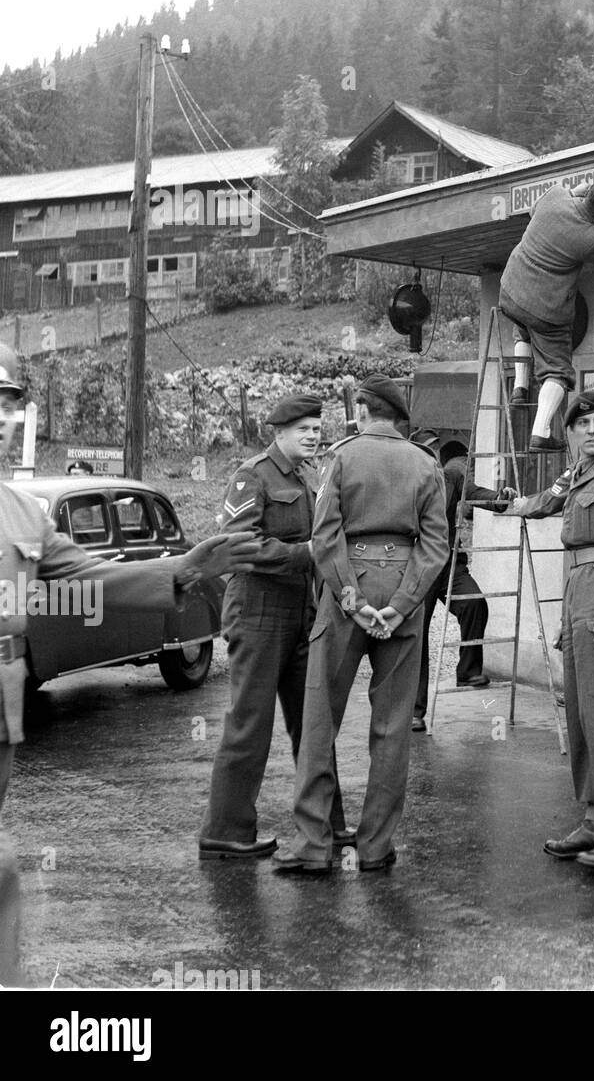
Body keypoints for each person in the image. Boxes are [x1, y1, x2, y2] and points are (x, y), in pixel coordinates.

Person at [0, 344, 259, 985]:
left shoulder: (21, 510)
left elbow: (88, 579)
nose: (2, 422)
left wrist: (181, 569)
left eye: (7, 408)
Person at [272, 374, 447, 874]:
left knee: (320, 717)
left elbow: (324, 535)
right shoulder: (426, 463)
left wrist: (352, 598)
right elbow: (437, 544)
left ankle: (314, 845)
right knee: (393, 728)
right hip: (404, 591)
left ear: (365, 412)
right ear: (399, 418)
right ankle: (375, 847)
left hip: (350, 581)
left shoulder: (342, 457)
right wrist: (402, 603)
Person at [495, 389, 594, 871]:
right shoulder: (579, 474)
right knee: (582, 714)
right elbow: (543, 502)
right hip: (579, 590)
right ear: (569, 433)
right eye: (582, 424)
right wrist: (493, 505)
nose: (592, 430)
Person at [198, 394, 351, 860]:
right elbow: (240, 545)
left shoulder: (310, 477)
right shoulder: (253, 475)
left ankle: (328, 824)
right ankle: (226, 831)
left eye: (315, 428)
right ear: (278, 432)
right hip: (258, 615)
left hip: (299, 615)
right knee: (250, 724)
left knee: (313, 724)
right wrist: (306, 554)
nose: (312, 435)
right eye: (302, 429)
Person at [500, 180, 594, 450]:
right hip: (545, 307)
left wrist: (577, 191)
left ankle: (520, 387)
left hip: (511, 290)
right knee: (558, 371)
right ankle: (540, 432)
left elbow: (535, 209)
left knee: (522, 326)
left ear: (588, 190)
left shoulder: (555, 196)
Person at [410, 433, 514, 731]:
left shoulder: (451, 476)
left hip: (449, 564)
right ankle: (415, 712)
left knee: (474, 604)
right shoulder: (408, 477)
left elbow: (475, 492)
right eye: (426, 449)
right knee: (417, 636)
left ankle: (467, 671)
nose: (430, 454)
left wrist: (499, 498)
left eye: (433, 449)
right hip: (418, 565)